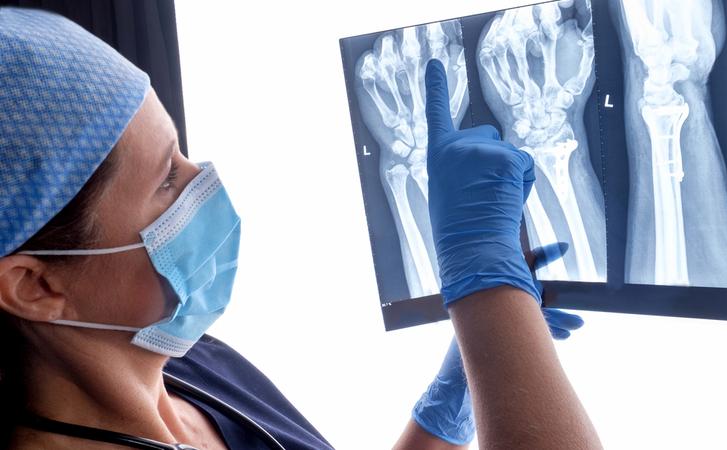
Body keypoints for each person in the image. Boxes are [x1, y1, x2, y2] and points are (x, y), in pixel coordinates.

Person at [0, 7, 601, 449]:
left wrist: (445, 413)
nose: (203, 184)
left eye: (183, 153)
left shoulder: (190, 366)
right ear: (35, 286)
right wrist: (489, 296)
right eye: (165, 182)